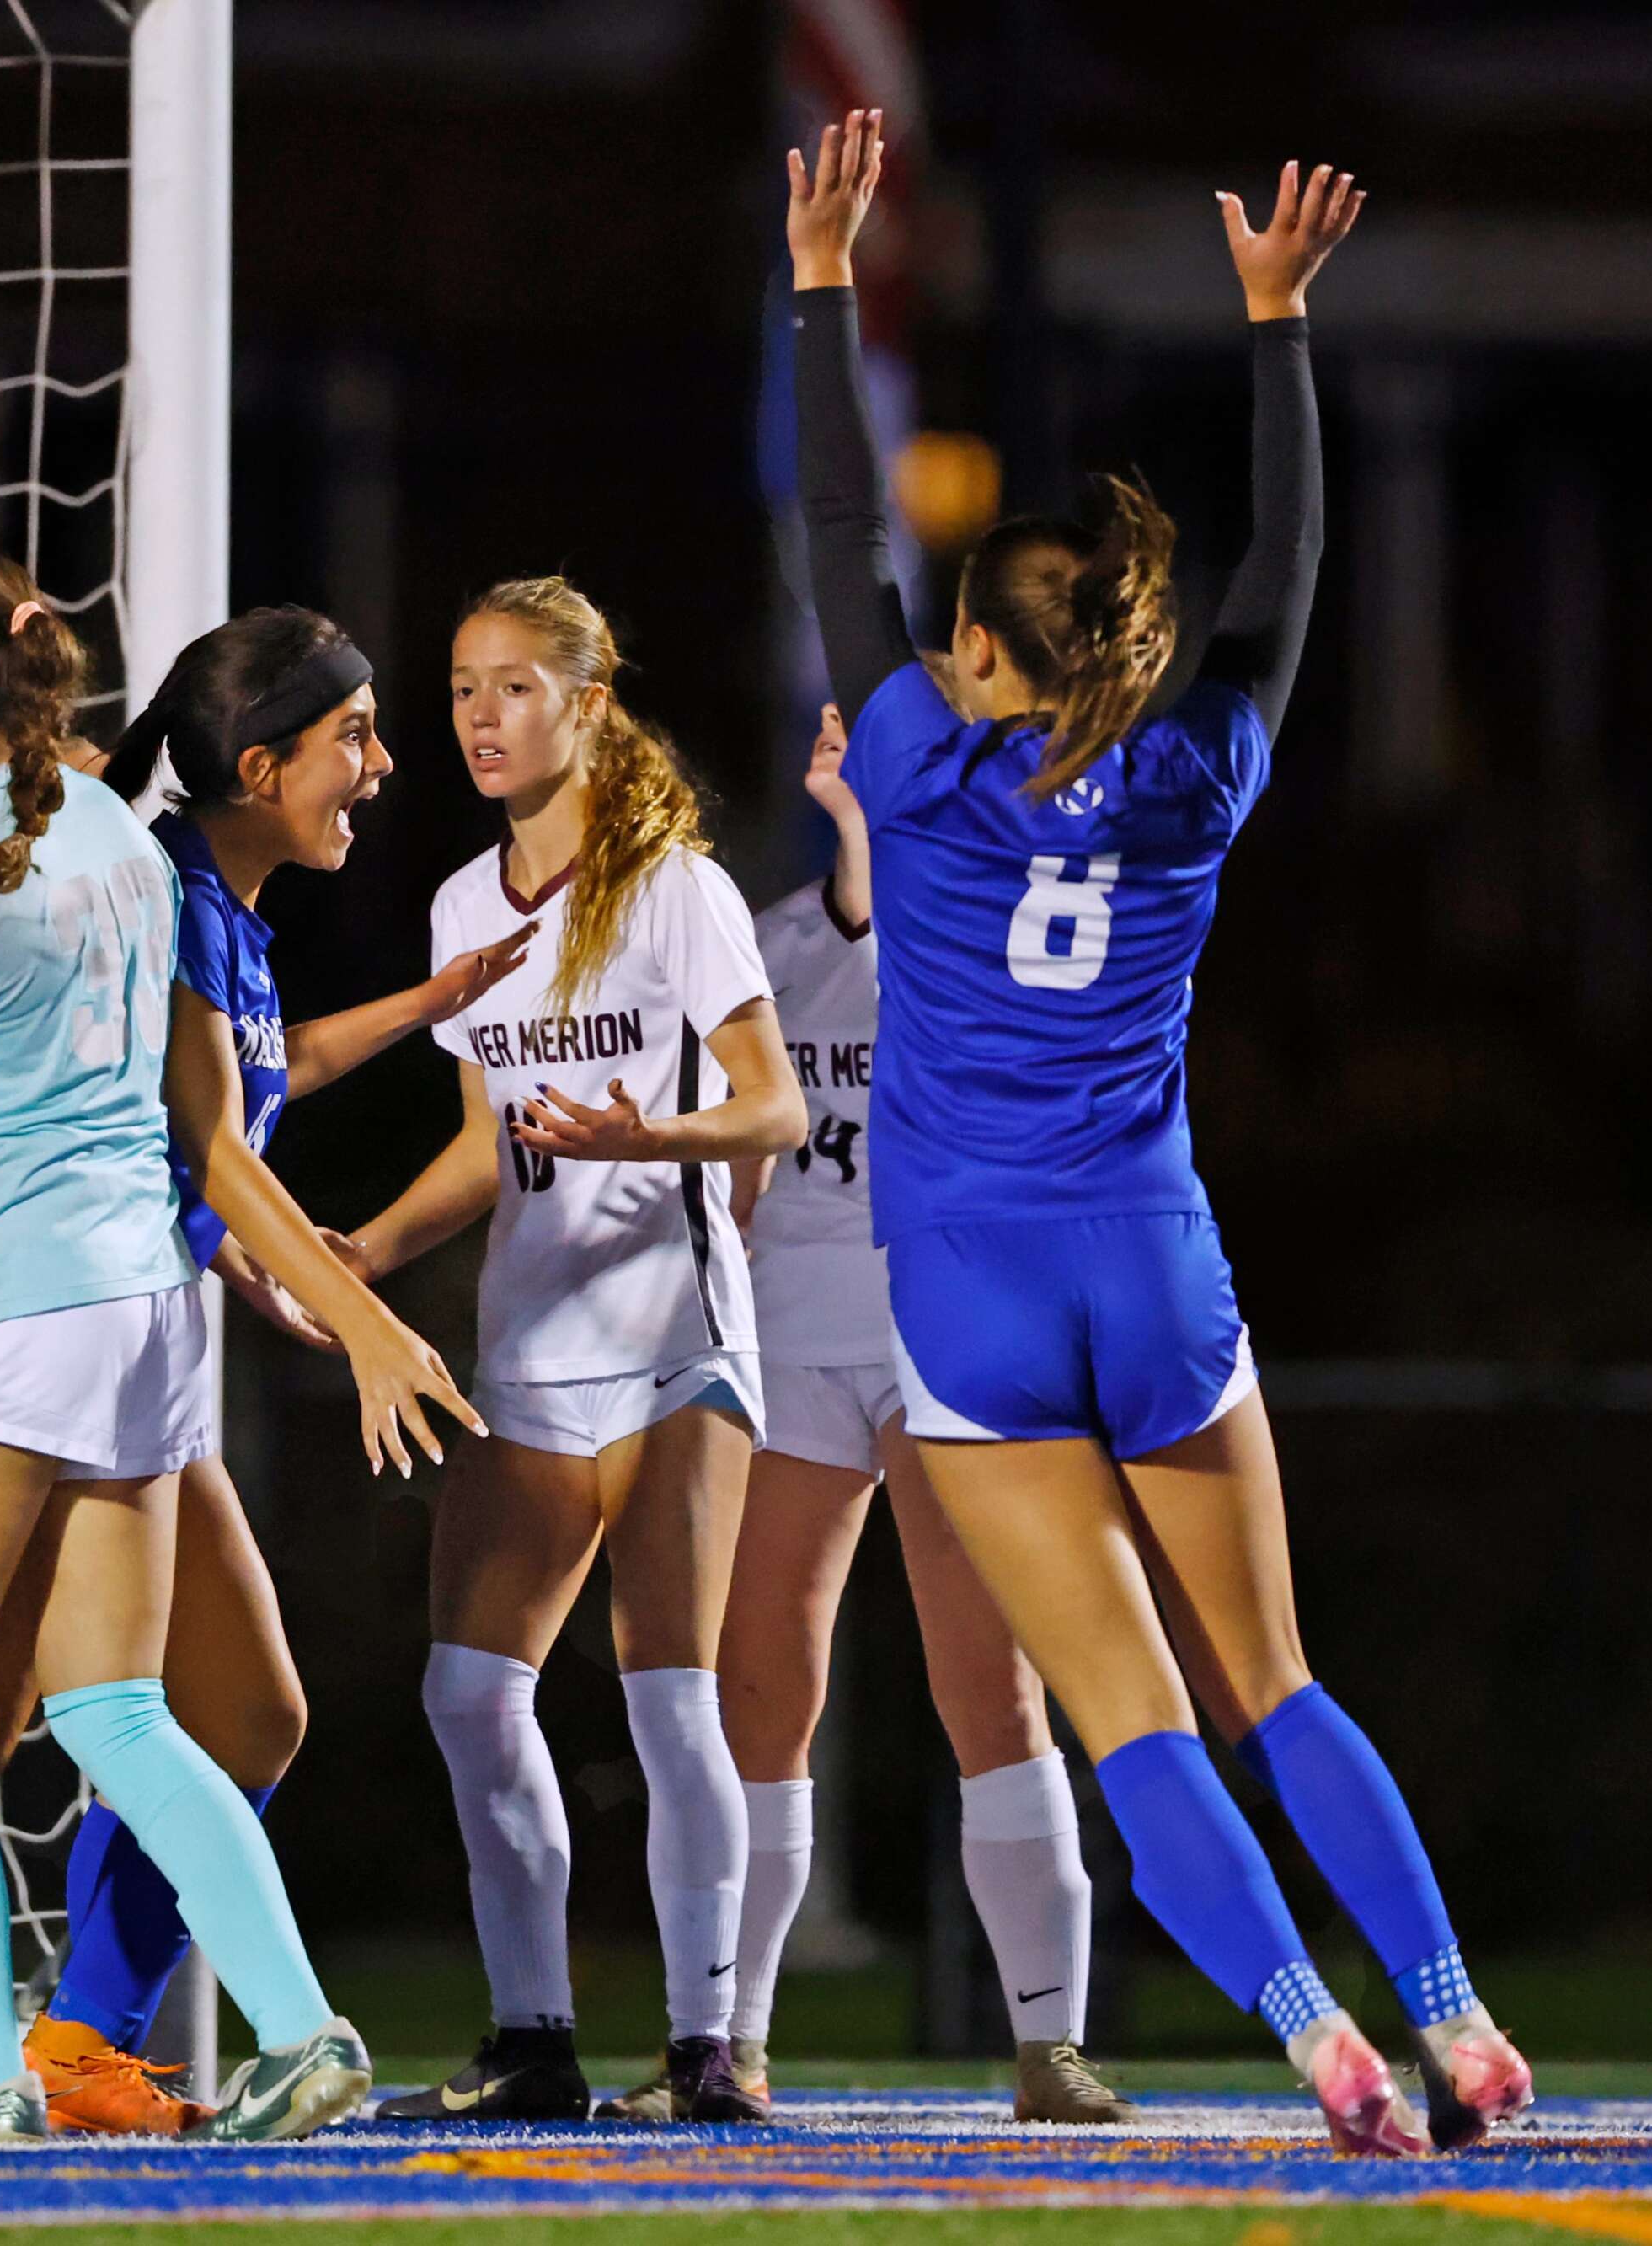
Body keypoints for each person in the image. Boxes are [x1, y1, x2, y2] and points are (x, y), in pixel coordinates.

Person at [784, 112, 1532, 2155]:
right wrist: (1276, 324)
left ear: (995, 668)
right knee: (1273, 1679)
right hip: (1153, 1257)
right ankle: (1458, 2018)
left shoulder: (928, 767)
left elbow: (827, 522)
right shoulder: (1198, 771)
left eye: (958, 638)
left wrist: (817, 283)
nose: (929, 660)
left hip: (972, 1280)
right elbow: (1283, 574)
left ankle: (1317, 2039)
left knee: (1124, 1719)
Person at [0, 545, 457, 2143]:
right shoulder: (126, 842)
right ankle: (304, 2035)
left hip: (3, 1316)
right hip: (151, 1323)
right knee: (119, 1712)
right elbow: (197, 1110)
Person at [601, 701, 1132, 2128]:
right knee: (761, 1690)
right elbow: (725, 1169)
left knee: (992, 1690)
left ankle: (1048, 2045)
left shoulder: (998, 942)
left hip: (951, 1343)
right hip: (791, 1347)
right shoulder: (756, 948)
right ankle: (730, 2043)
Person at [347, 578, 808, 2126]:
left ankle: (704, 2051)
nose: (481, 715)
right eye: (464, 687)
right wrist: (363, 1253)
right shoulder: (464, 910)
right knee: (470, 1695)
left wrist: (649, 1132)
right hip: (532, 1348)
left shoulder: (675, 887)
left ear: (588, 703)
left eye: (516, 687)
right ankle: (534, 2042)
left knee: (670, 1698)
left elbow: (776, 1105)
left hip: (678, 1338)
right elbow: (484, 1142)